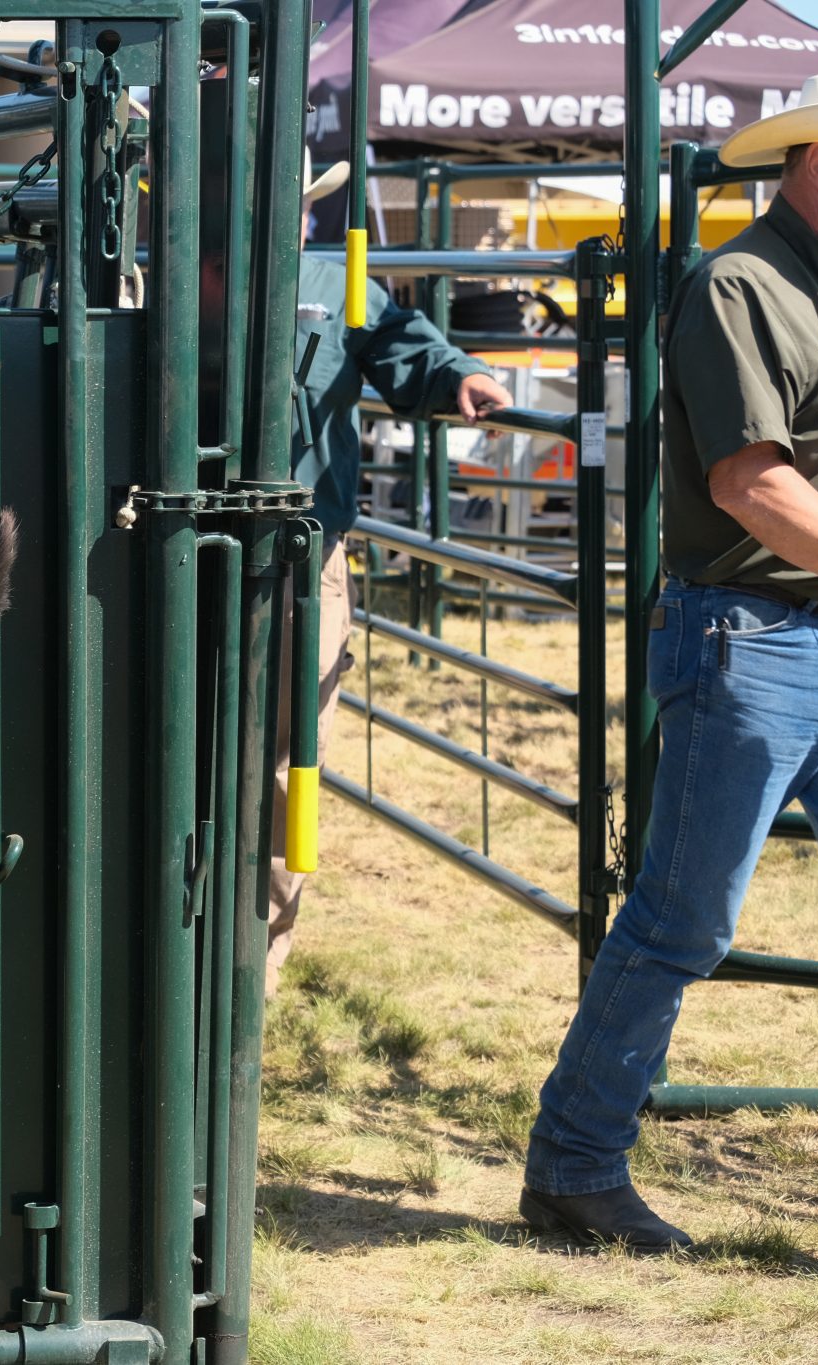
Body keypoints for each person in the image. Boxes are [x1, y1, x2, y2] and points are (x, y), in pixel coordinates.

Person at [522, 71, 818, 1253]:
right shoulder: (739, 287)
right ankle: (572, 1168)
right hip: (756, 639)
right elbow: (753, 484)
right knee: (682, 919)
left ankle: (575, 1165)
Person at [267, 155, 513, 997]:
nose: (292, 217)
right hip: (170, 545)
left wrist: (461, 375)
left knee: (288, 762)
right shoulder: (148, 275)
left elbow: (404, 341)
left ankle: (253, 970)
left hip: (300, 557)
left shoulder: (339, 279)